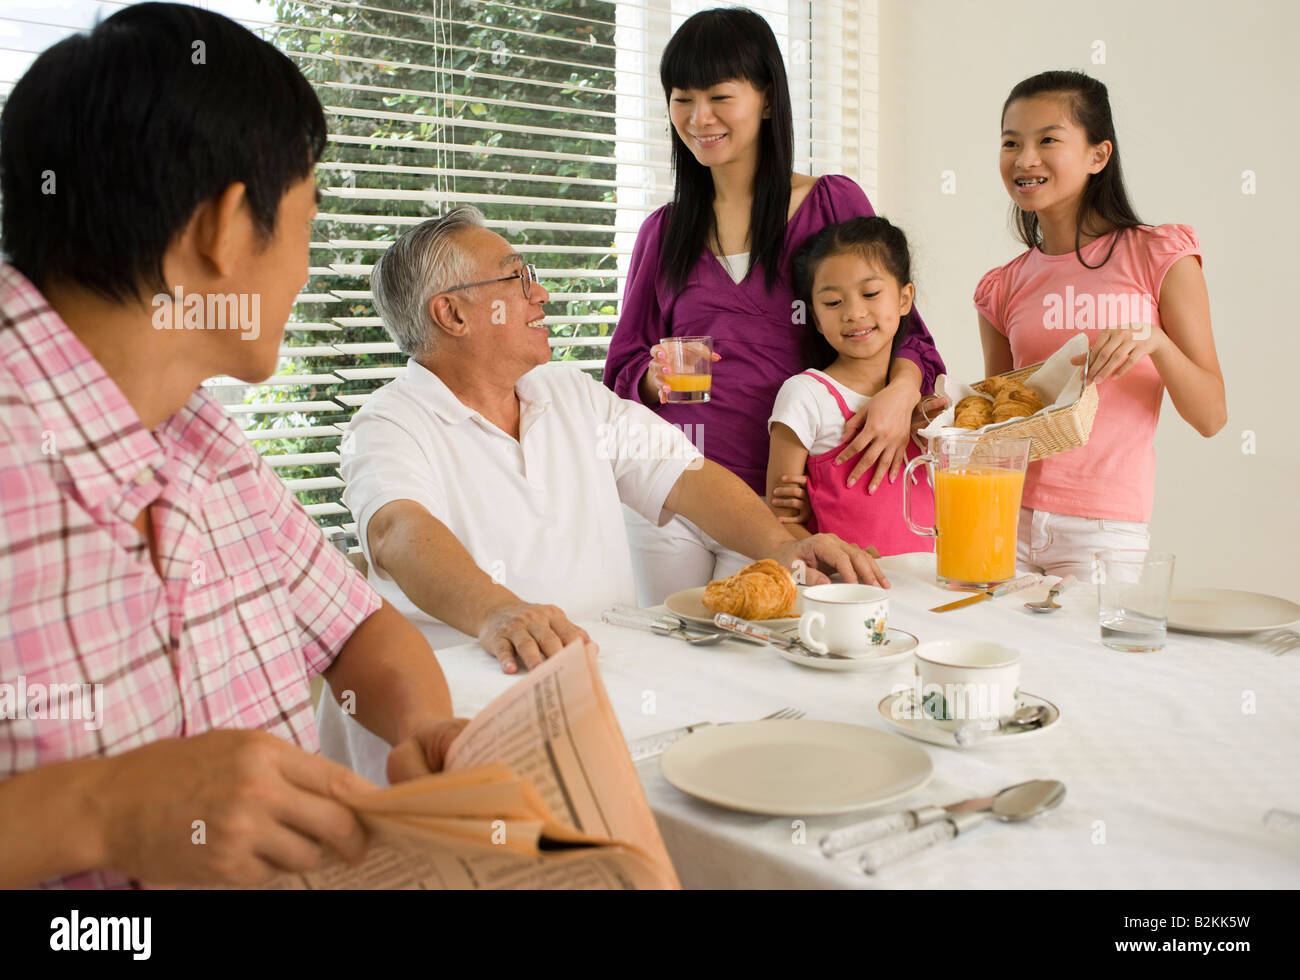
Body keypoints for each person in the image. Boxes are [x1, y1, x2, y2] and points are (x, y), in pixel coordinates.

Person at [0, 4, 467, 890]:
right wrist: (107, 810)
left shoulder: (201, 439)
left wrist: (424, 733)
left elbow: (360, 630)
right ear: (221, 231)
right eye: (306, 224)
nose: (304, 270)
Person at [334, 206, 888, 678]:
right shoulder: (389, 424)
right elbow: (396, 533)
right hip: (479, 687)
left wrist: (782, 546)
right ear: (452, 312)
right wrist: (497, 613)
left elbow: (686, 475)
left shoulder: (567, 393)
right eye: (517, 279)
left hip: (606, 673)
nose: (541, 294)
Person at [603, 7, 946, 605]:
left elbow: (903, 331)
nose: (697, 118)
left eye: (718, 96)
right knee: (671, 654)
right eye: (681, 99)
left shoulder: (830, 202)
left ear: (765, 99)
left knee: (770, 654)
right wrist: (655, 381)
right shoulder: (664, 231)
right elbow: (622, 370)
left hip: (782, 508)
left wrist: (899, 393)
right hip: (675, 493)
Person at [975, 71, 1227, 578]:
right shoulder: (1002, 287)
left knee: (1092, 660)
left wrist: (1154, 341)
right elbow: (1002, 415)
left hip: (1104, 531)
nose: (1025, 159)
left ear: (1098, 155)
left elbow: (1211, 416)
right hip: (1004, 514)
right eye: (1011, 142)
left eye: (1048, 139)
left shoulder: (1160, 256)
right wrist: (947, 415)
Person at [767, 217, 936, 555]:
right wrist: (845, 557)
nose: (854, 312)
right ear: (815, 317)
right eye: (832, 302)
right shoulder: (806, 396)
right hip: (851, 595)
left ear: (905, 299)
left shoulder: (926, 405)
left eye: (870, 293)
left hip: (932, 590)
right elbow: (777, 519)